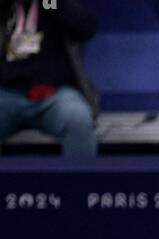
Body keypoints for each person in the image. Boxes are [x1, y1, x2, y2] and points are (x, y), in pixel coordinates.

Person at [0, 0, 98, 157]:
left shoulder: (50, 4)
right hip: (6, 94)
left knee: (78, 120)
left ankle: (79, 181)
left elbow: (86, 28)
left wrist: (50, 2)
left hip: (54, 95)